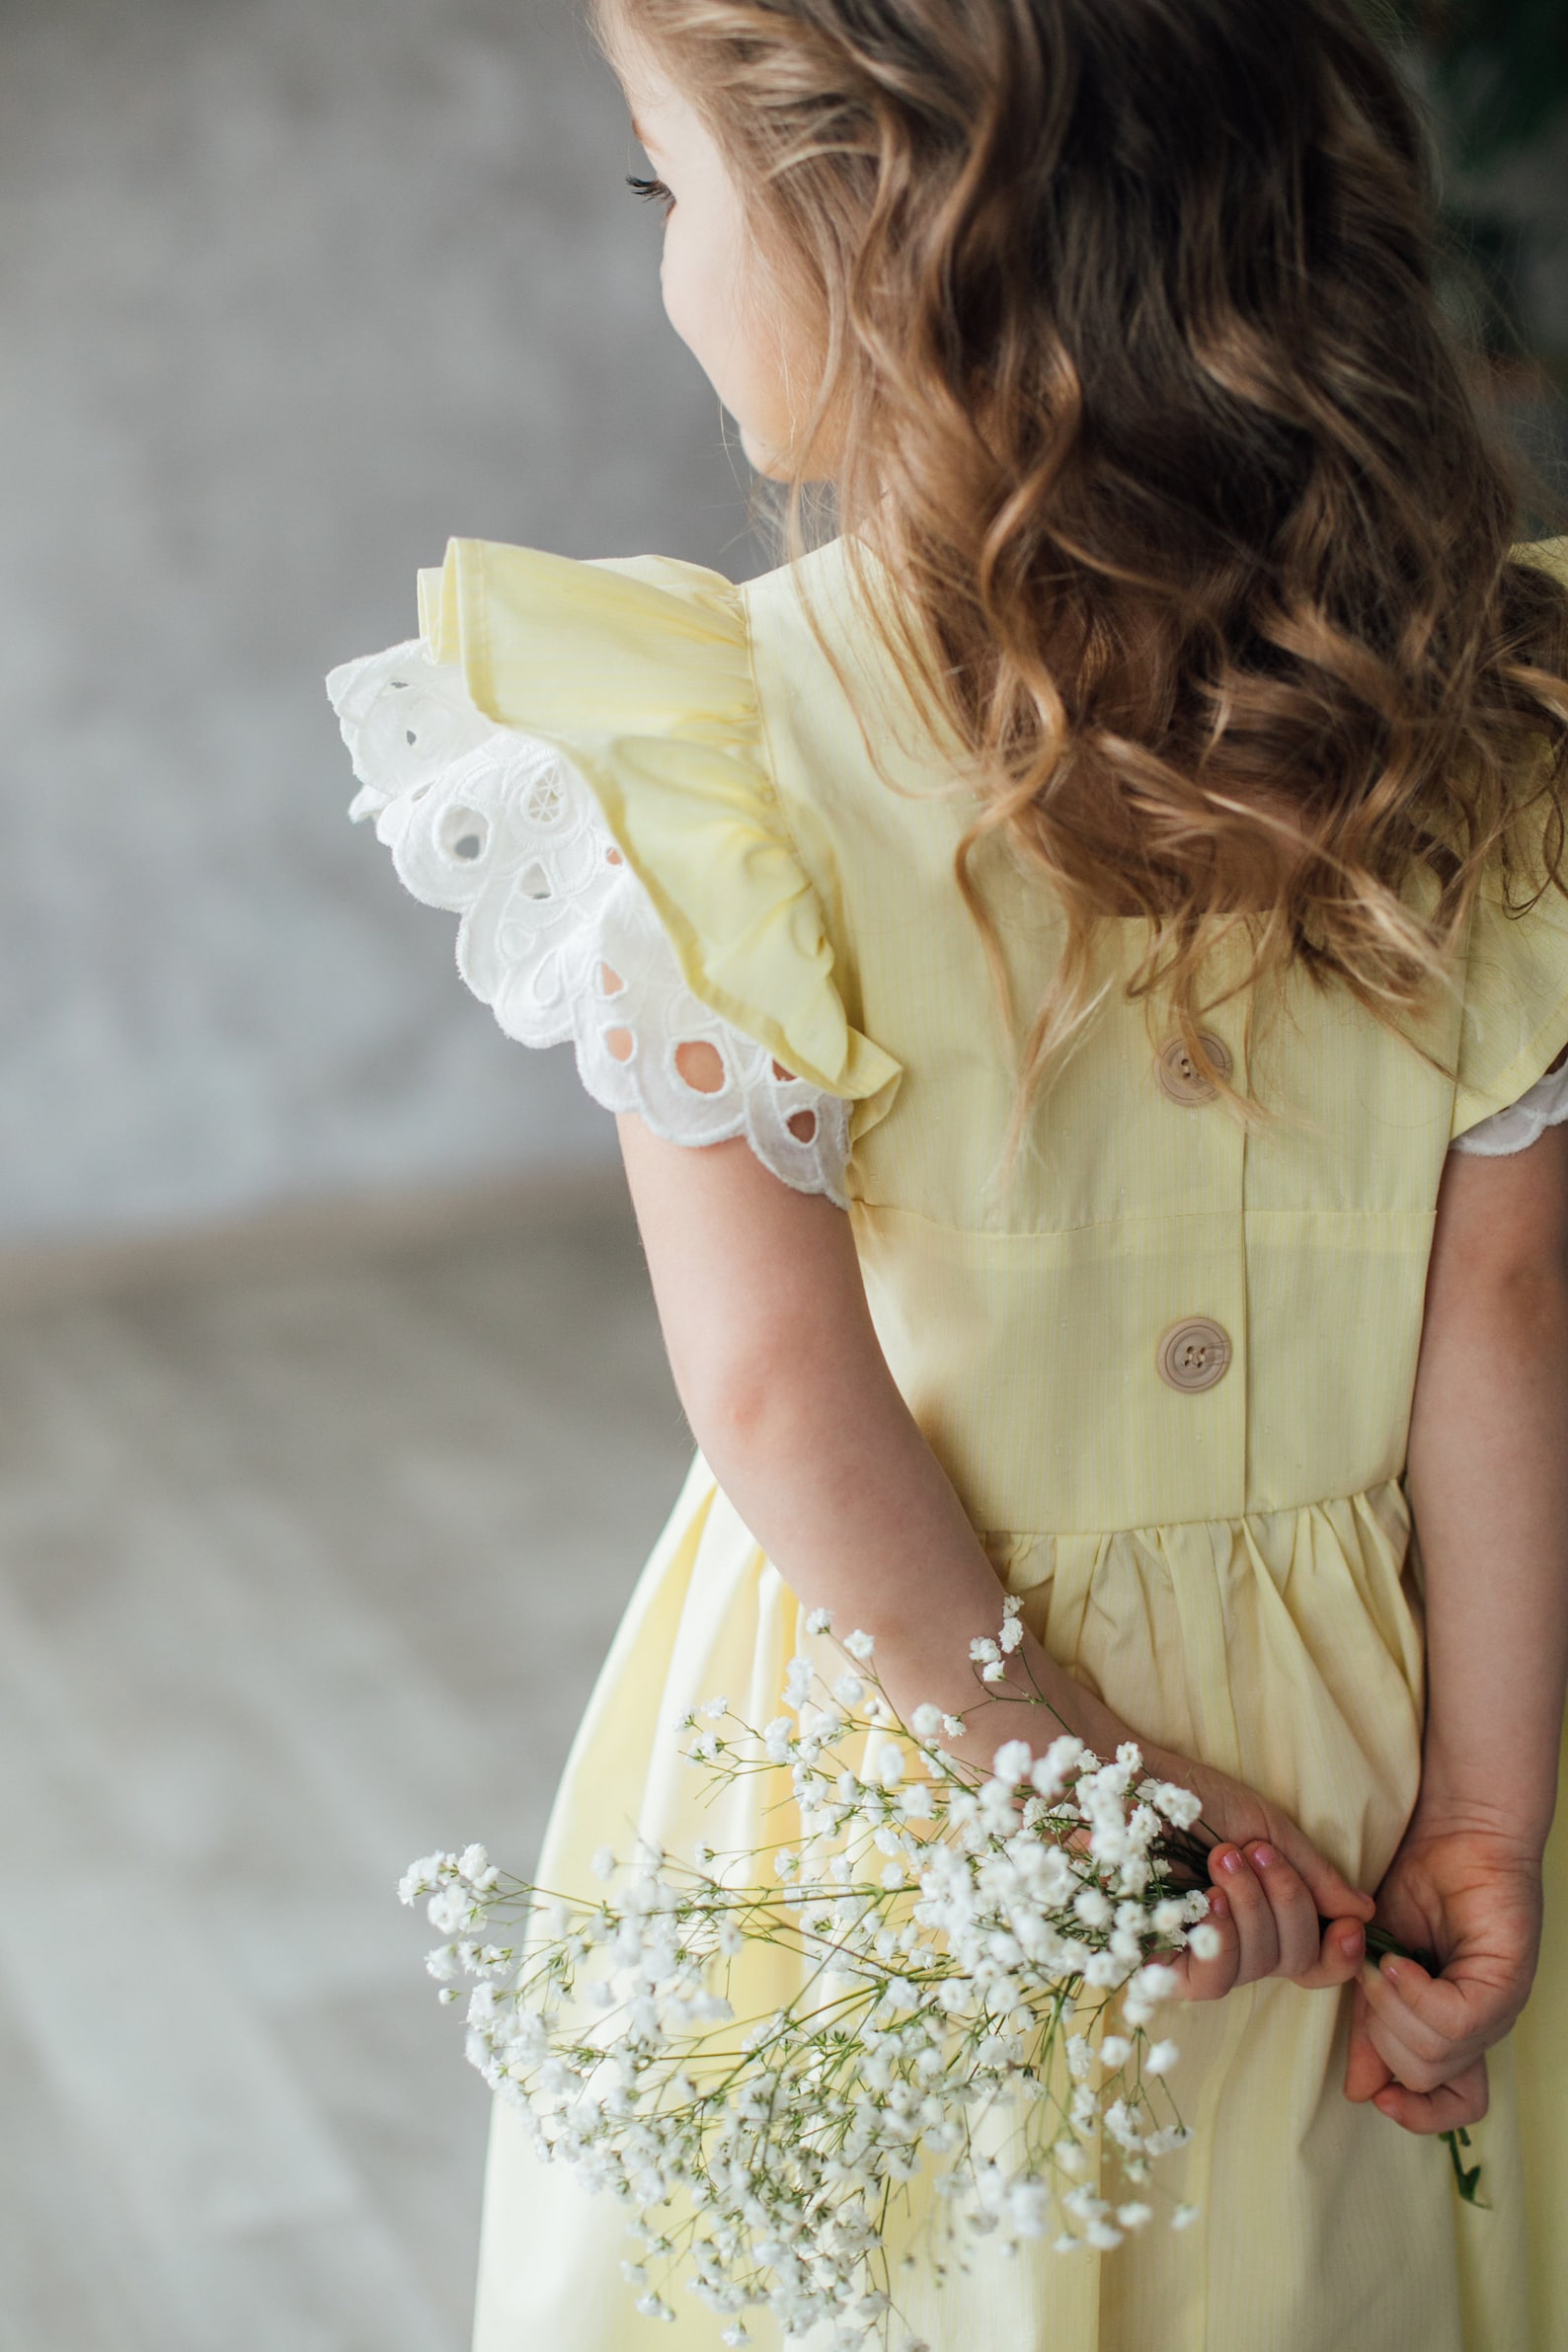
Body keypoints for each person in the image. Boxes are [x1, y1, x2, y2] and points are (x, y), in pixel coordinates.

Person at [328, 1, 1568, 2344]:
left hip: (939, 1739)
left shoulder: (725, 759)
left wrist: (1075, 1795)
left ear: (888, 245)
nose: (668, 261)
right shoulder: (1483, 719)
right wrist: (1478, 1823)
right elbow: (1502, 1315)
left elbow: (781, 1392)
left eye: (661, 190)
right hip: (1353, 1733)